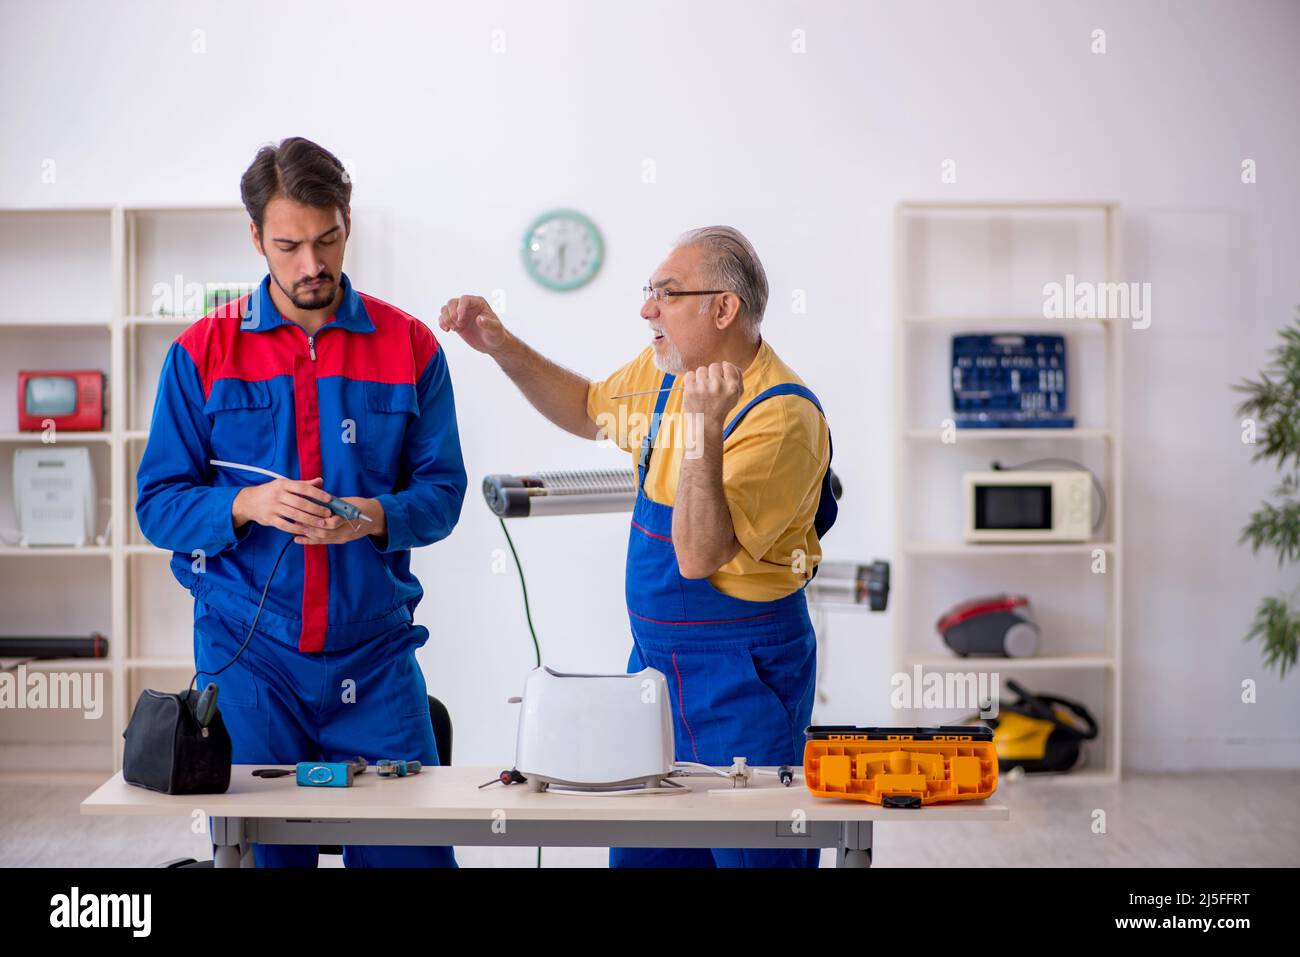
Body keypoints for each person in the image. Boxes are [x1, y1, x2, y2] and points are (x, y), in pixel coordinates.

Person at [440, 225, 836, 867]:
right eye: (649, 292)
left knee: (752, 855)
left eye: (666, 293)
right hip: (653, 667)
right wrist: (501, 346)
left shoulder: (781, 415)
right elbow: (590, 408)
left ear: (724, 308)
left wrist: (704, 427)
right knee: (645, 853)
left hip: (742, 674)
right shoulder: (666, 376)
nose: (647, 309)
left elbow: (698, 556)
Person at [136, 137, 467, 867]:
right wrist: (247, 504)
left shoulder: (411, 347)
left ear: (348, 223)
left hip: (376, 657)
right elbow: (157, 505)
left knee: (413, 857)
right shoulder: (200, 353)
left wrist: (372, 518)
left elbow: (444, 496)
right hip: (248, 662)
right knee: (263, 861)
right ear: (255, 236)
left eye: (327, 240)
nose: (311, 265)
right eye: (288, 245)